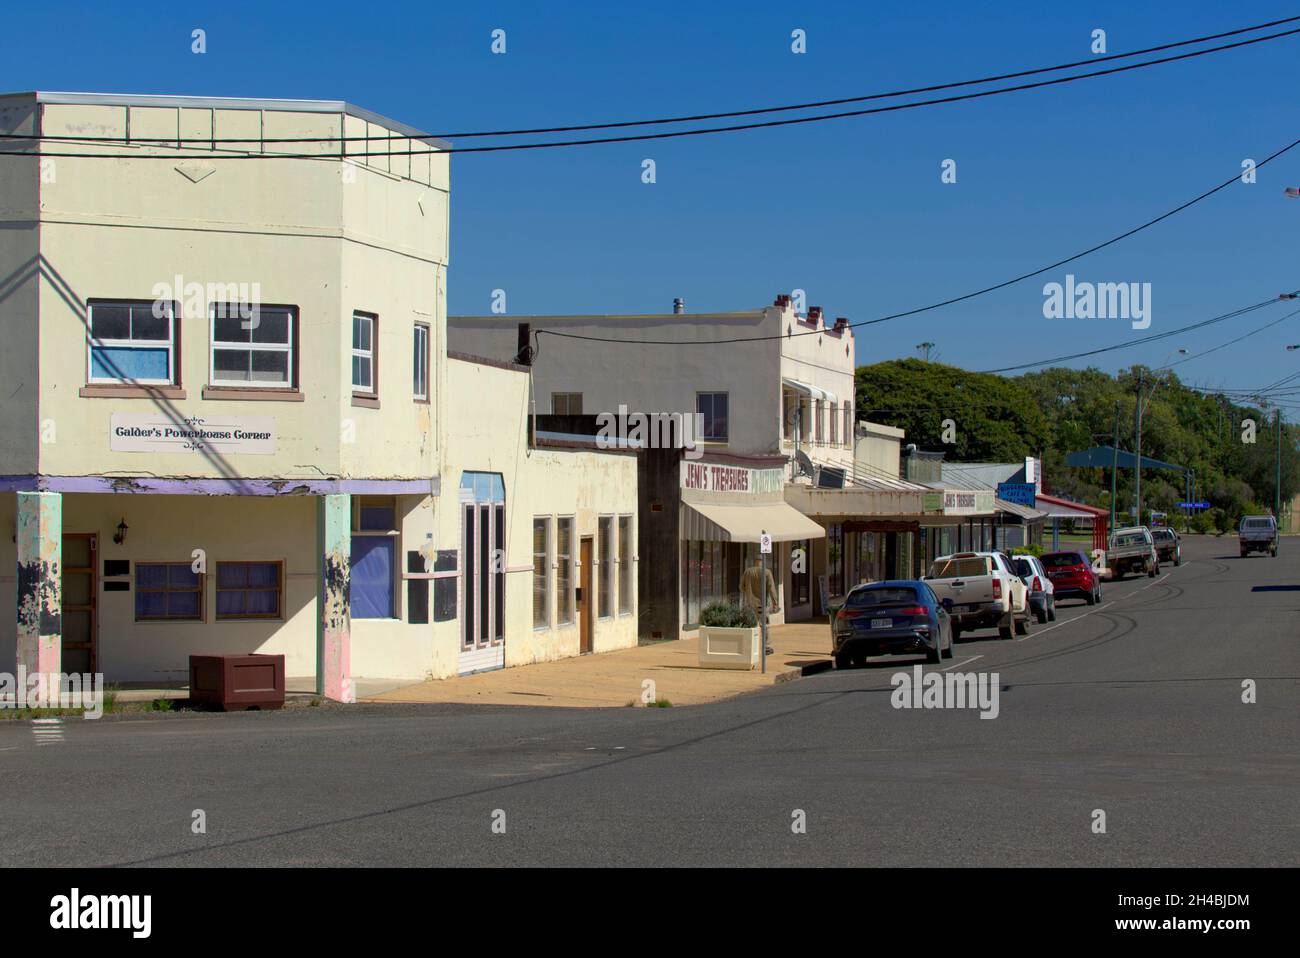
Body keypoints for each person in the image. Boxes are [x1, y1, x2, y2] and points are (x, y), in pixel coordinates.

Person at [740, 555, 780, 655]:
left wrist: (748, 593)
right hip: (763, 604)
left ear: (755, 561)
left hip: (750, 603)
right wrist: (775, 602)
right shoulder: (767, 572)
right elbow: (771, 588)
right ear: (763, 561)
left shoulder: (748, 572)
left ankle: (747, 646)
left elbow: (741, 586)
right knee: (765, 626)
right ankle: (766, 647)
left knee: (749, 625)